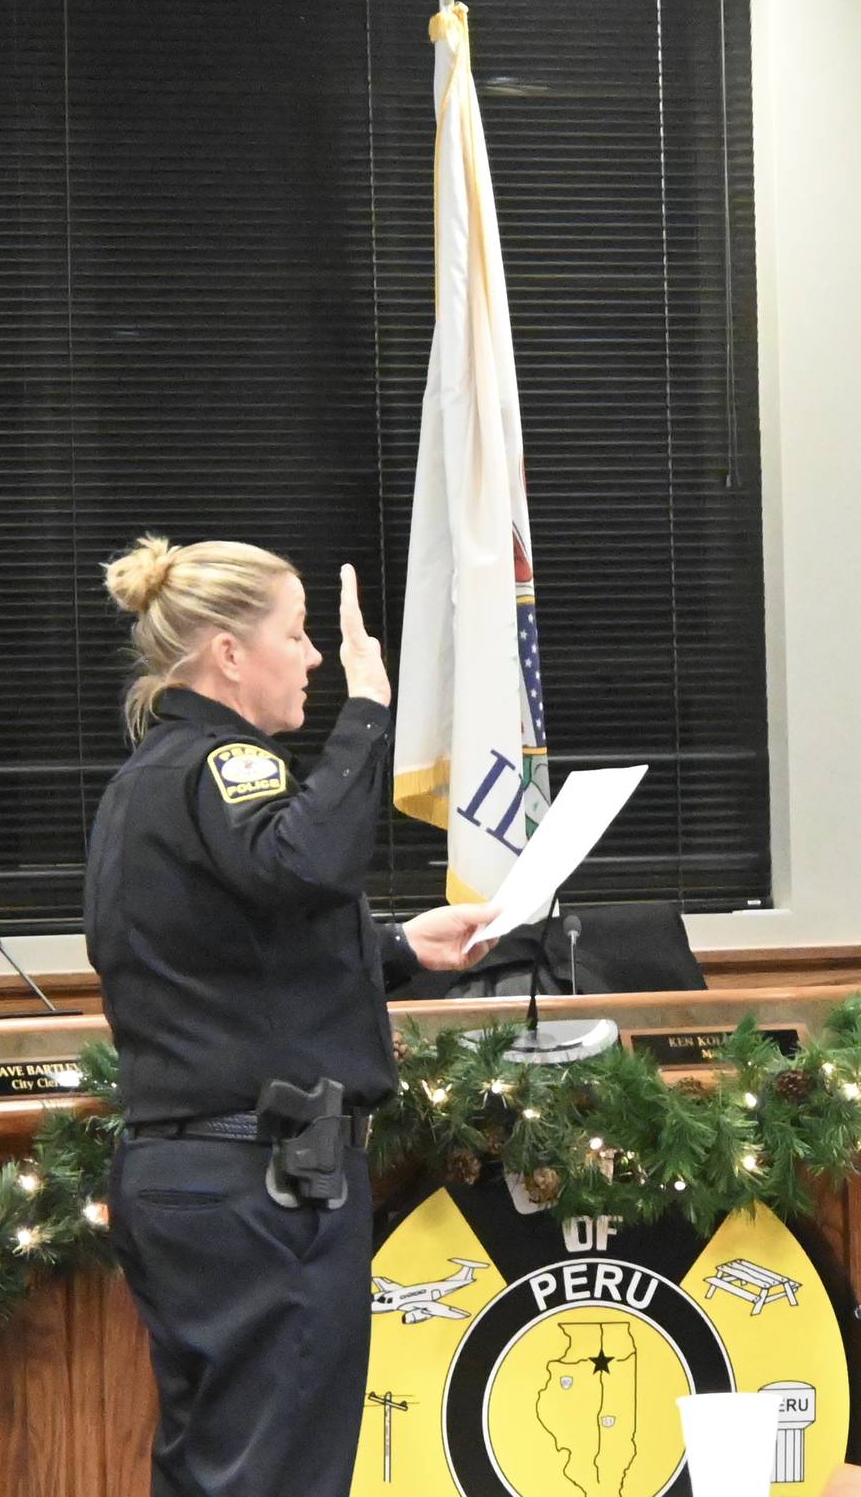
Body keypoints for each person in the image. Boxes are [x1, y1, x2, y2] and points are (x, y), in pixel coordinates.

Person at [85, 535, 495, 1497]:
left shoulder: (144, 782)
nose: (314, 655)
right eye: (297, 633)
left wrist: (400, 949)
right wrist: (367, 711)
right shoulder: (227, 764)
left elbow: (234, 950)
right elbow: (301, 864)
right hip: (259, 1190)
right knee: (280, 1475)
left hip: (190, 1178)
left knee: (217, 1471)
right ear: (229, 651)